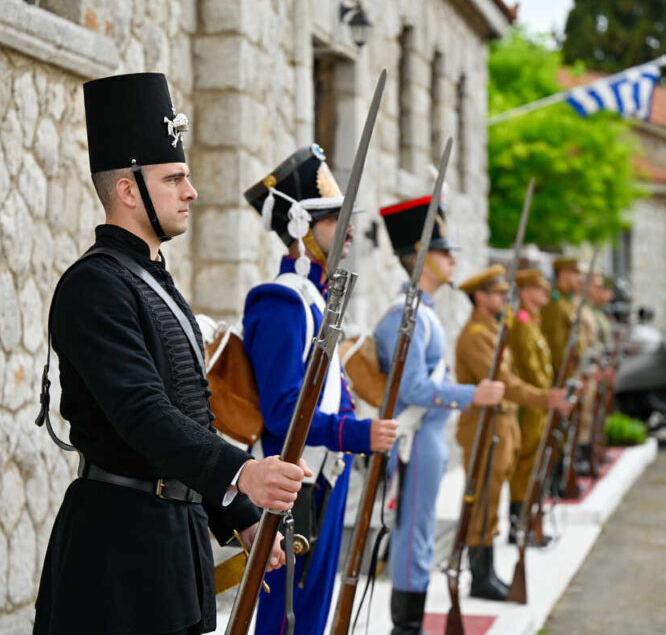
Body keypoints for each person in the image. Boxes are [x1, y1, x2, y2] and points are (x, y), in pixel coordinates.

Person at [34, 73, 305, 635]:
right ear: (129, 190)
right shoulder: (95, 286)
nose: (191, 191)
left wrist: (239, 516)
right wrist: (244, 472)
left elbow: (190, 414)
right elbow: (144, 415)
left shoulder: (149, 278)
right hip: (116, 556)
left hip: (174, 543)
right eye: (174, 178)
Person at [241, 144, 398, 635]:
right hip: (297, 487)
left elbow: (328, 392)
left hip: (324, 476)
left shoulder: (315, 300)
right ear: (299, 228)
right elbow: (284, 413)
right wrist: (356, 434)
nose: (348, 230)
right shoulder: (282, 302)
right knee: (288, 618)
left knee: (313, 613)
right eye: (334, 220)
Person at [374, 196, 505, 634]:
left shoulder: (423, 314)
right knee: (414, 534)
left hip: (428, 438)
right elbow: (412, 388)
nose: (453, 260)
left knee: (422, 532)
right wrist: (473, 394)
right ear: (420, 257)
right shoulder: (405, 317)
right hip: (415, 440)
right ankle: (406, 627)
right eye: (443, 251)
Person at [454, 266, 568, 600]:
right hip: (485, 426)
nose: (506, 298)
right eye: (499, 294)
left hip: (502, 424)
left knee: (492, 500)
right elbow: (505, 383)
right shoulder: (477, 334)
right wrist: (544, 398)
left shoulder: (494, 329)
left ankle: (488, 573)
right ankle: (480, 577)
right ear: (480, 297)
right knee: (482, 502)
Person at [505, 268, 555, 542]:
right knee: (525, 464)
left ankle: (527, 517)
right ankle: (518, 521)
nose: (545, 293)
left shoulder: (532, 321)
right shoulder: (522, 322)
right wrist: (547, 396)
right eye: (539, 289)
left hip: (539, 403)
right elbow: (529, 368)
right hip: (531, 404)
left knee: (534, 462)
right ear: (525, 293)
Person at [541, 256, 589, 383]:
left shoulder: (567, 301)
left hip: (572, 372)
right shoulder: (554, 303)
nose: (579, 278)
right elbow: (555, 344)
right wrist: (565, 377)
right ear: (563, 274)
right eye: (575, 274)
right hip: (561, 376)